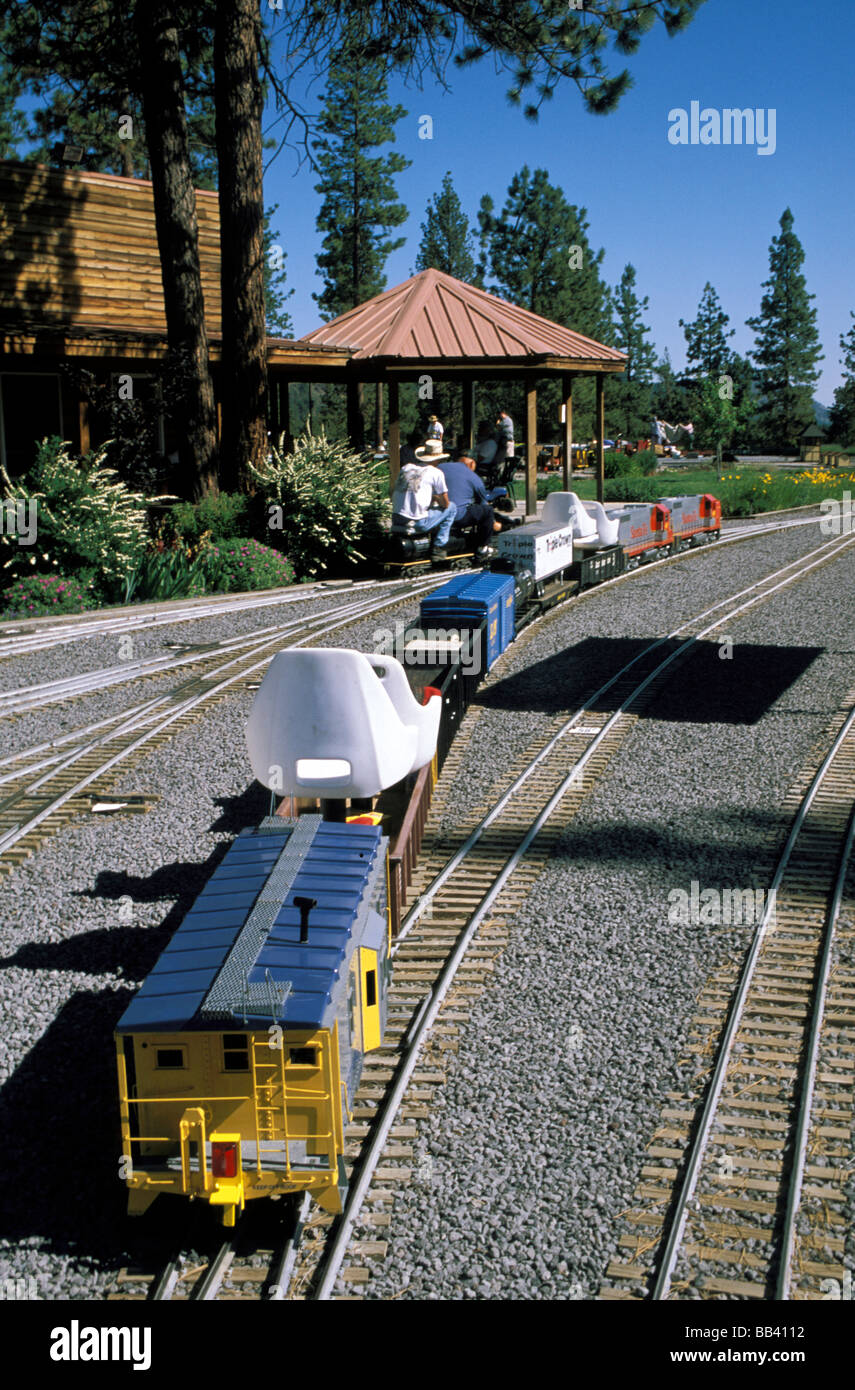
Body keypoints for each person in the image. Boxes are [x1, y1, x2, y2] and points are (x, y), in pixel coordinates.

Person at [391, 440, 457, 557]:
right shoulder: (436, 472)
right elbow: (445, 504)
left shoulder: (406, 468)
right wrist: (436, 497)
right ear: (438, 459)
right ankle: (438, 546)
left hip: (396, 518)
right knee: (452, 508)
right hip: (416, 522)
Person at [440, 452, 501, 557]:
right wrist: (494, 522)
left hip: (437, 513)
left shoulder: (440, 467)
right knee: (487, 511)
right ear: (472, 463)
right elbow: (483, 502)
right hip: (457, 516)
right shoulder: (474, 477)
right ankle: (483, 547)